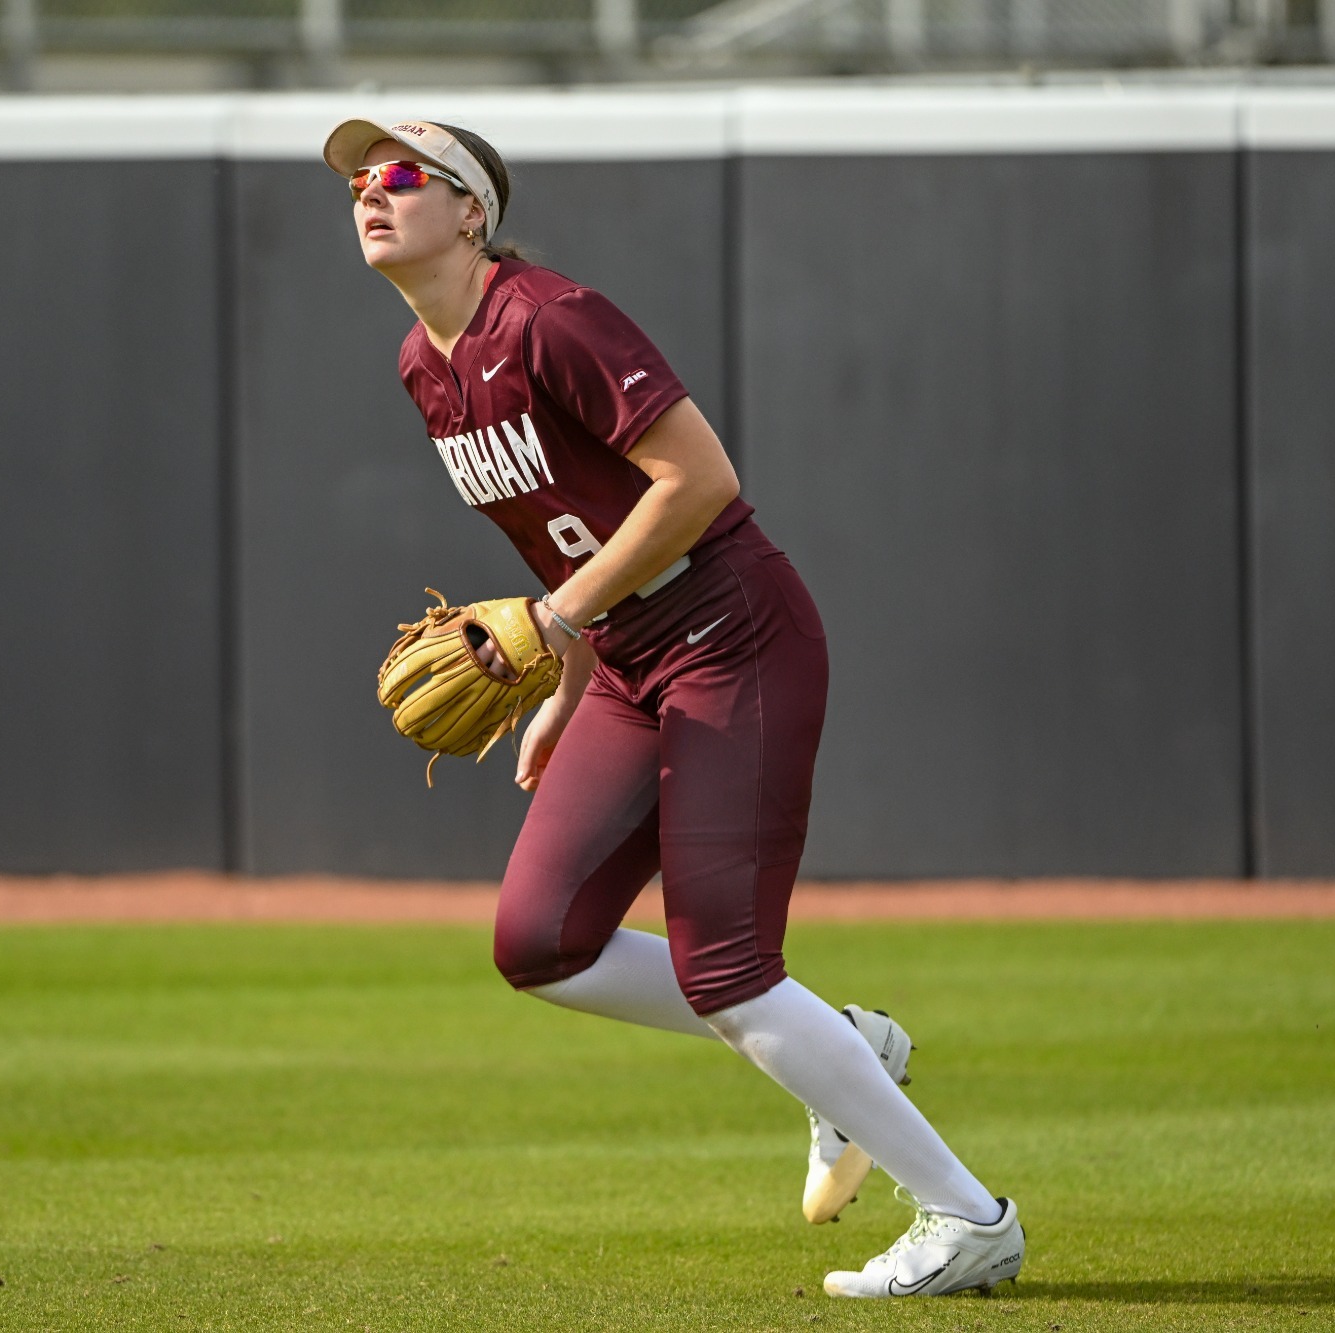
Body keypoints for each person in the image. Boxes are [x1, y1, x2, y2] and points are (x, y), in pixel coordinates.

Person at [323, 116, 1024, 1299]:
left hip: (731, 633)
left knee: (729, 969)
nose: (368, 193)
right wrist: (571, 677)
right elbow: (569, 535)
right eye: (353, 179)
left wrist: (551, 630)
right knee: (539, 943)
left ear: (471, 211)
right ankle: (845, 1046)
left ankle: (968, 1216)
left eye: (398, 174)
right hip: (629, 655)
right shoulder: (423, 364)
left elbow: (697, 482)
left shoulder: (546, 317)